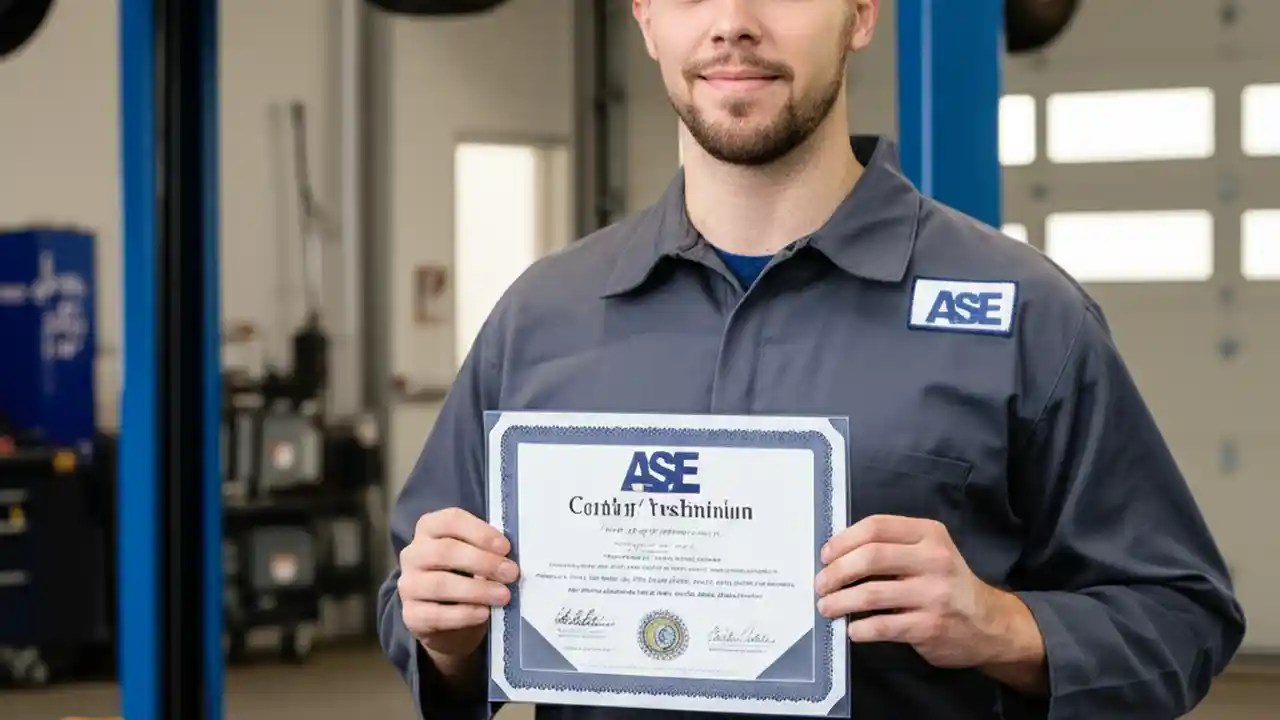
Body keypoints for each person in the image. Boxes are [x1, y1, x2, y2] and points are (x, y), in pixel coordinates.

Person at [377, 1, 1246, 718]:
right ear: (645, 20)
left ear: (862, 14)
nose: (732, 24)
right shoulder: (543, 318)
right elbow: (417, 602)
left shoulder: (1026, 316)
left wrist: (1003, 625)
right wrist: (446, 637)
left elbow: (1181, 616)